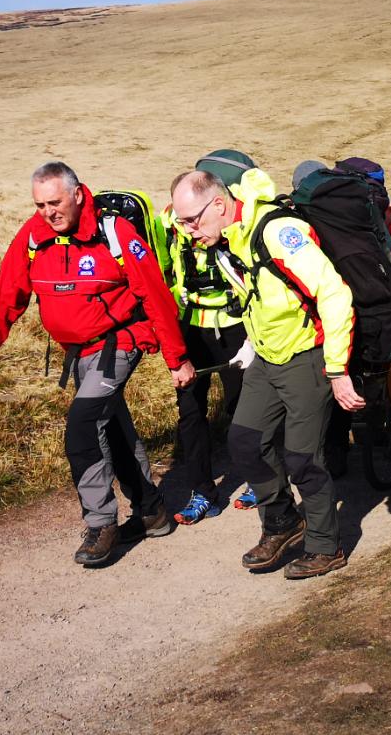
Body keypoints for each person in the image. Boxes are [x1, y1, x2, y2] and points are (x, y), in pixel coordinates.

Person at [0, 162, 190, 568]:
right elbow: (4, 301)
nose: (48, 212)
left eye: (55, 202)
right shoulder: (33, 237)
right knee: (110, 427)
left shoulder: (115, 233)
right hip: (78, 353)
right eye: (40, 205)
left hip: (119, 343)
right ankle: (152, 512)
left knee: (82, 425)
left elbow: (154, 296)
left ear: (78, 194)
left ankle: (101, 524)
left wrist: (177, 359)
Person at [170, 164, 365, 579]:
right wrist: (250, 345)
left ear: (218, 204)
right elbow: (258, 297)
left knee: (302, 458)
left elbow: (333, 294)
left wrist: (337, 370)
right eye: (180, 222)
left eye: (191, 220)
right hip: (266, 356)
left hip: (308, 356)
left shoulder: (277, 232)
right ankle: (282, 522)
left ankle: (325, 546)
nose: (187, 231)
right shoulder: (229, 238)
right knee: (245, 441)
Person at [159, 151, 258, 525]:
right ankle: (202, 492)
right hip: (190, 328)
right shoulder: (171, 222)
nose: (189, 227)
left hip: (235, 327)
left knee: (241, 407)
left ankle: (258, 476)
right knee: (190, 414)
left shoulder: (236, 221)